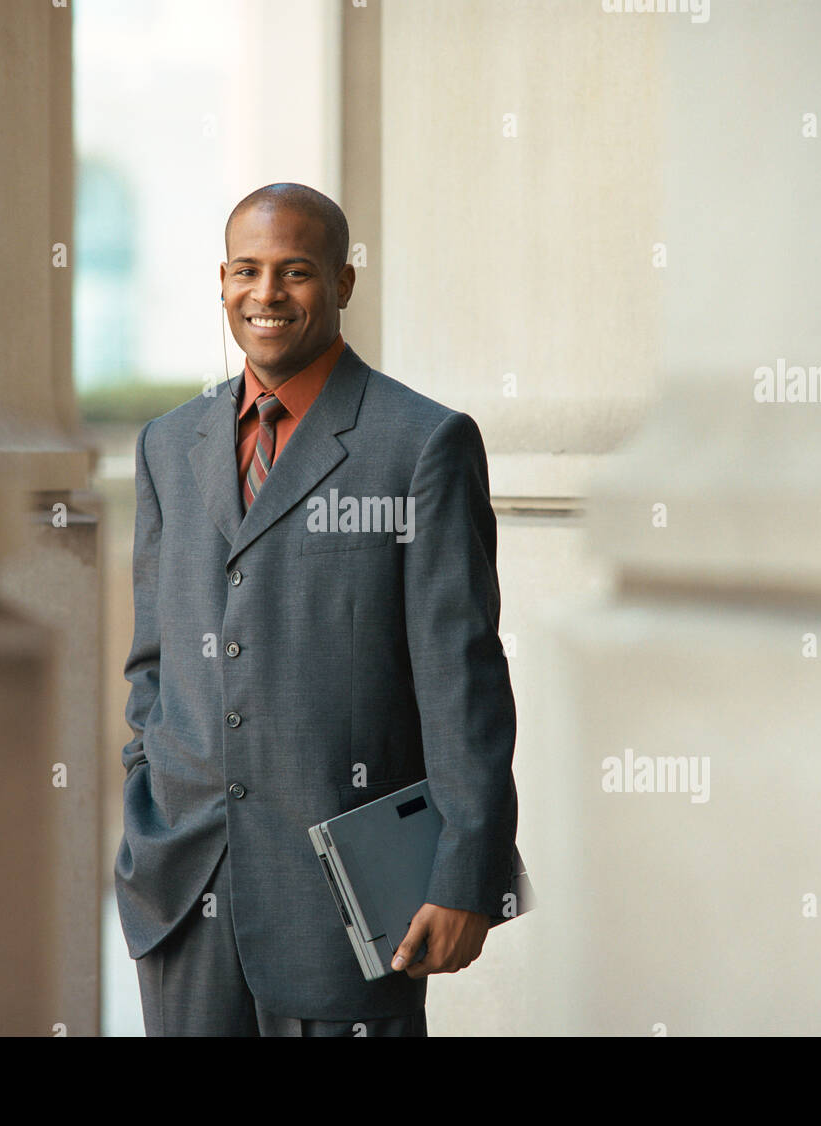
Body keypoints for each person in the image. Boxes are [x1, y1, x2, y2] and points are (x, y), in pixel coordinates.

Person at [114, 182, 519, 1036]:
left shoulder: (422, 443)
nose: (267, 295)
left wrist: (466, 872)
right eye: (248, 272)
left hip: (345, 899)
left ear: (342, 283)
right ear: (222, 280)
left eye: (296, 271)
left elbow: (462, 674)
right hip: (184, 890)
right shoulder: (165, 445)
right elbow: (154, 658)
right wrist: (145, 790)